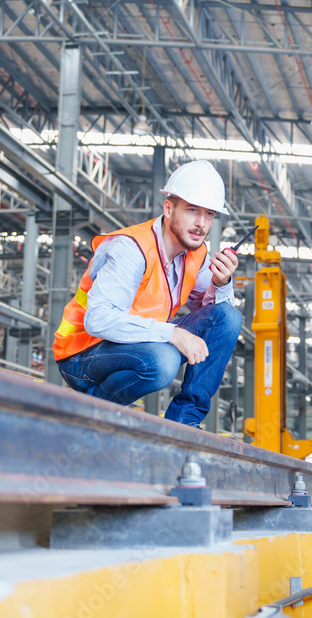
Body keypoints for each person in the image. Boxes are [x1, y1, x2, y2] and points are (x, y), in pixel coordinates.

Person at [52, 160, 243, 427]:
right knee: (162, 362)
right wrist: (173, 334)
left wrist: (222, 283)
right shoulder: (131, 249)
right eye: (191, 210)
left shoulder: (195, 256)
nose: (201, 223)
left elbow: (213, 318)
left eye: (209, 214)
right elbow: (98, 320)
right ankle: (94, 412)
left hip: (133, 343)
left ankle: (184, 423)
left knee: (229, 317)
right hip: (83, 352)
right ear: (168, 208)